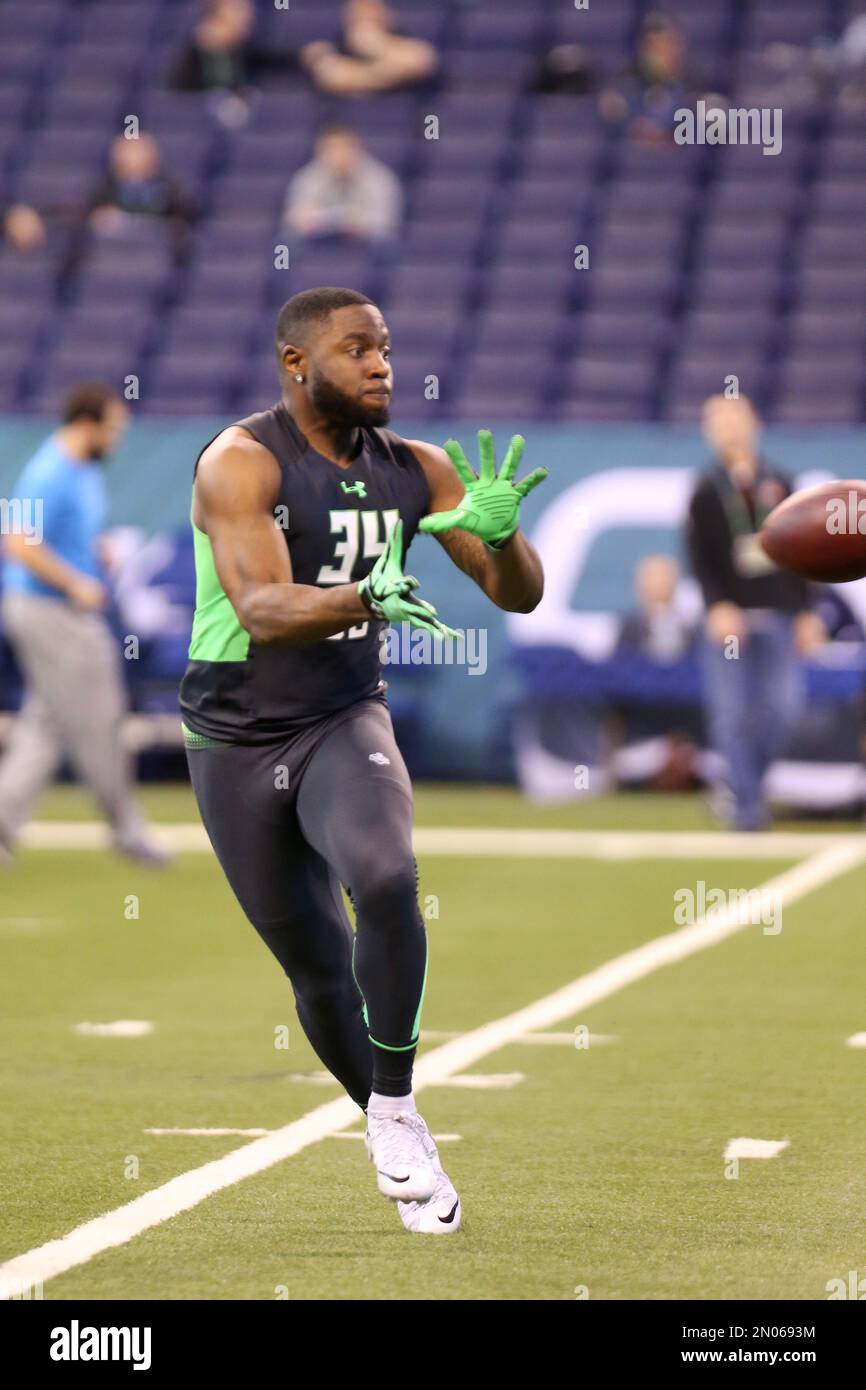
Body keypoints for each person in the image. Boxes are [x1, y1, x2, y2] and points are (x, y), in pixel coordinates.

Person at [179, 286, 547, 1233]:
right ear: (297, 364)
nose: (382, 364)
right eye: (356, 349)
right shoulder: (240, 461)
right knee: (315, 965)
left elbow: (519, 596)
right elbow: (262, 607)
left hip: (343, 715)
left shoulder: (416, 469)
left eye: (384, 347)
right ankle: (396, 1115)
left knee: (385, 877)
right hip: (234, 732)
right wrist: (362, 598)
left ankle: (391, 1107)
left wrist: (503, 542)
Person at [0, 384, 168, 865]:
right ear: (86, 424)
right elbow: (19, 542)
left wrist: (94, 556)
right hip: (49, 611)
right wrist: (76, 582)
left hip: (53, 610)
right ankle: (127, 830)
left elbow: (59, 537)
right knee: (103, 718)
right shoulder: (48, 471)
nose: (117, 439)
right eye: (112, 429)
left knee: (45, 722)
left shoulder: (81, 472)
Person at [685, 394, 825, 831]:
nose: (727, 429)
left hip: (779, 616)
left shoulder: (780, 482)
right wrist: (718, 606)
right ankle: (746, 809)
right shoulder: (706, 491)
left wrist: (806, 612)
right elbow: (701, 559)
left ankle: (740, 787)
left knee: (784, 709)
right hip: (733, 620)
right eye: (717, 422)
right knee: (732, 714)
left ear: (754, 423)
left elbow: (805, 552)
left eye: (733, 419)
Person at [282, 122, 401, 243]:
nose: (337, 155)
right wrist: (326, 221)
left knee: (385, 241)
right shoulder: (308, 177)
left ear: (356, 148)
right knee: (287, 240)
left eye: (342, 148)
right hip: (320, 238)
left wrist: (352, 222)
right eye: (330, 149)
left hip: (364, 240)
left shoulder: (379, 178)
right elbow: (295, 217)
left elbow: (385, 221)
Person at [302, 0, 437, 97]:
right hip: (348, 121)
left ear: (386, 14)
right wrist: (391, 72)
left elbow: (421, 60)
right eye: (359, 12)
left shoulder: (402, 36)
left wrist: (376, 46)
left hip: (405, 118)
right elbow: (330, 77)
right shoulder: (336, 43)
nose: (366, 18)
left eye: (371, 10)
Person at [87, 134, 194, 246]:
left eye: (139, 153)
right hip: (116, 250)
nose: (134, 158)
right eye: (129, 153)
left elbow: (184, 219)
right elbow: (92, 217)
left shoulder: (168, 188)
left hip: (155, 249)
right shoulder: (106, 188)